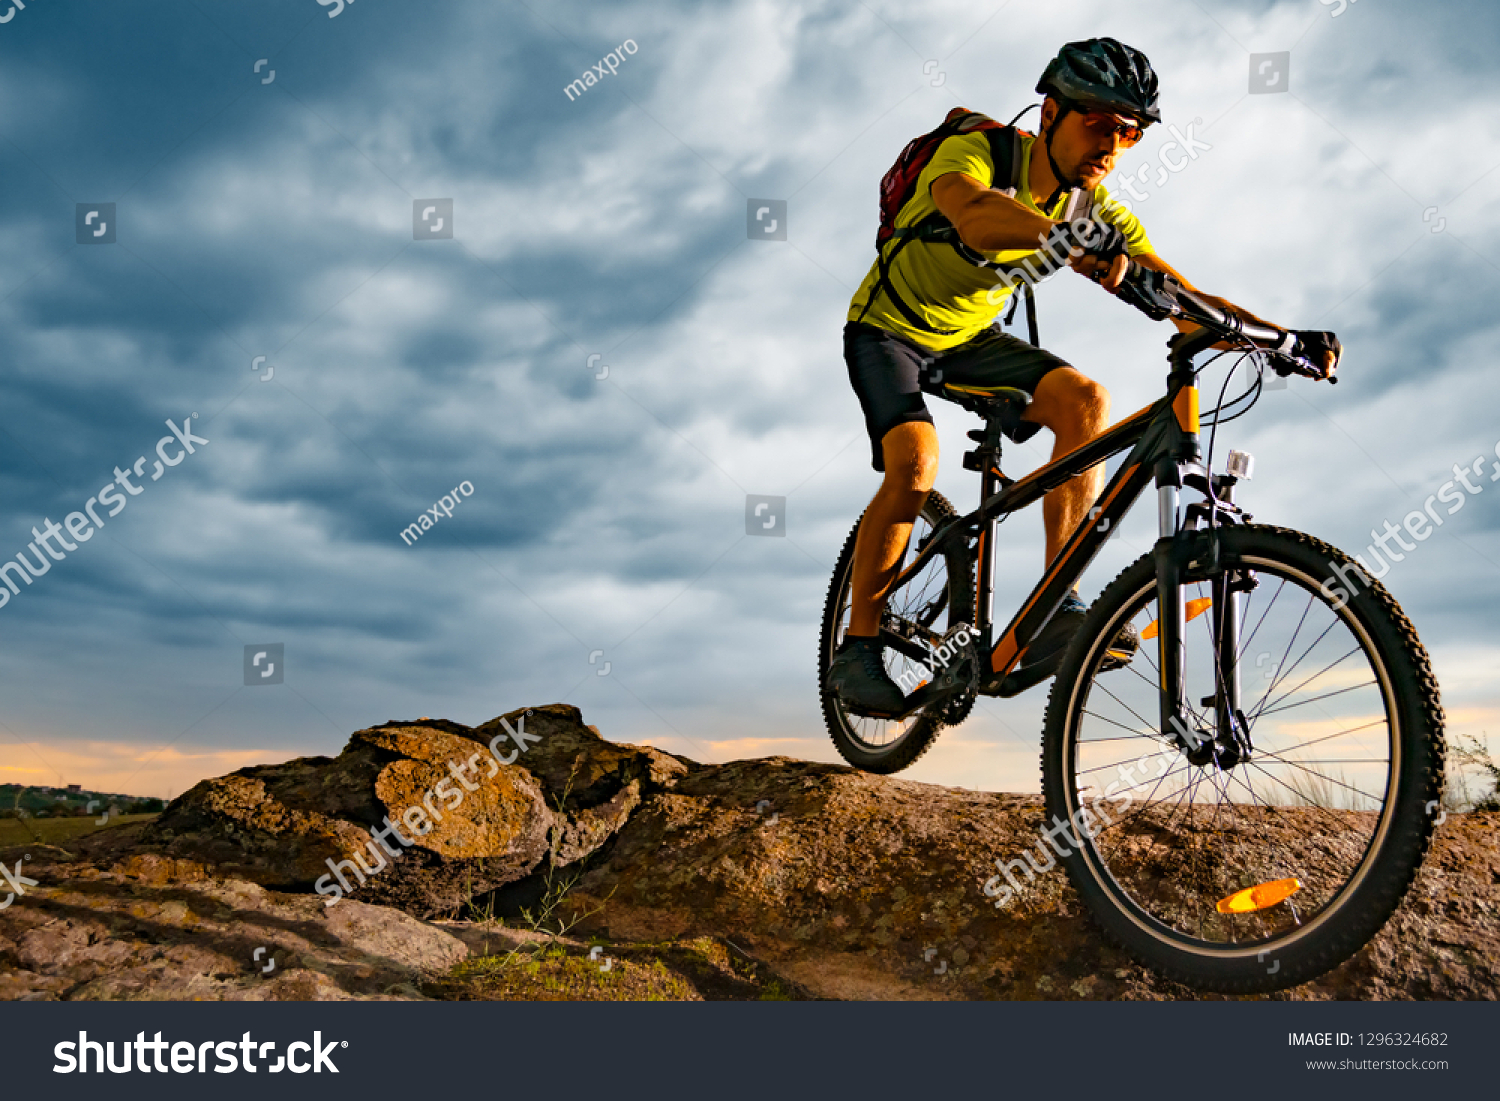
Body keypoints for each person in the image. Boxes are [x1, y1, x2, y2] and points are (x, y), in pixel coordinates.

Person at [827, 37, 1342, 717]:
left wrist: (1278, 337)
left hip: (970, 339)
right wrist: (1065, 240)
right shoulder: (981, 150)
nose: (1113, 145)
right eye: (1099, 123)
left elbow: (1181, 296)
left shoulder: (1096, 211)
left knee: (1087, 401)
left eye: (1129, 133)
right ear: (1050, 113)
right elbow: (974, 215)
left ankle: (1056, 608)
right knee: (916, 463)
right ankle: (858, 647)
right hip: (889, 329)